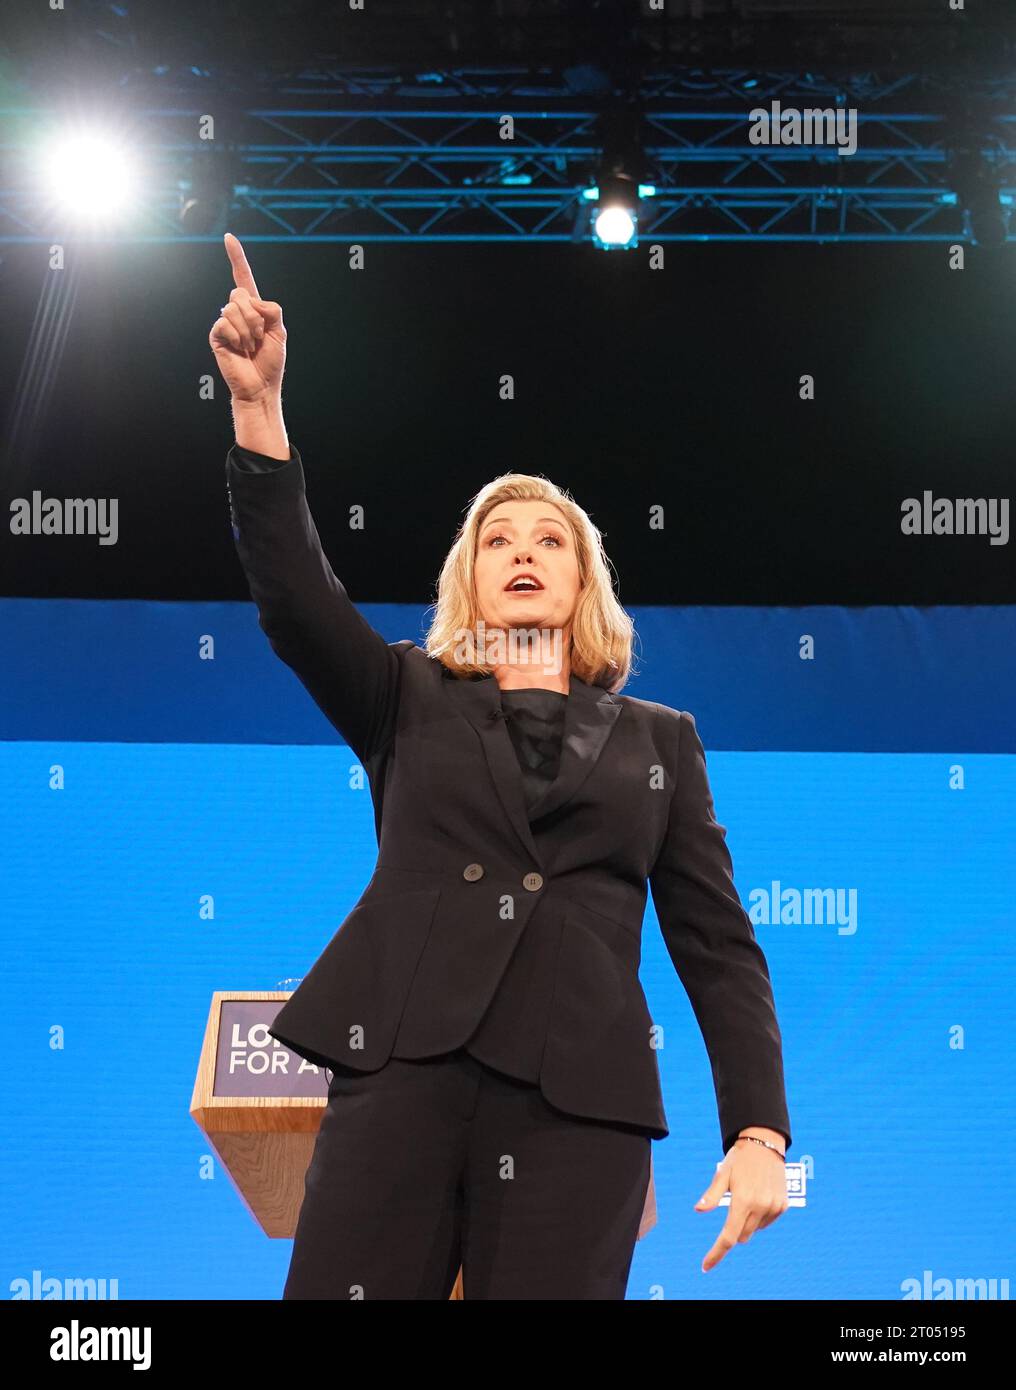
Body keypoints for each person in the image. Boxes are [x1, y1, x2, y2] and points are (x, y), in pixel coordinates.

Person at [209, 232, 792, 1300]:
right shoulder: (402, 694)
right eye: (496, 539)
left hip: (580, 1109)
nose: (522, 550)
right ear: (470, 582)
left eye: (549, 540)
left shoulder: (661, 741)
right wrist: (258, 411)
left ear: (583, 585)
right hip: (403, 1080)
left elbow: (717, 947)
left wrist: (757, 1128)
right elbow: (294, 599)